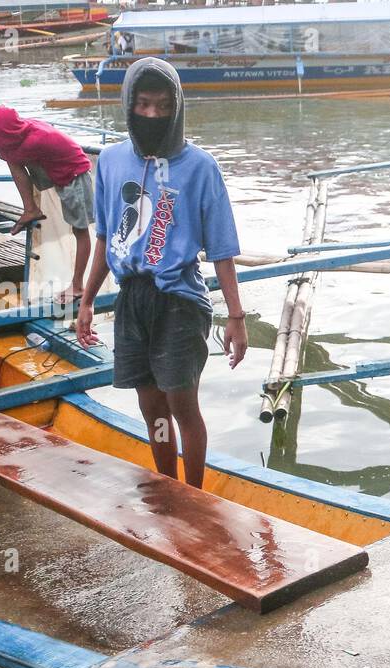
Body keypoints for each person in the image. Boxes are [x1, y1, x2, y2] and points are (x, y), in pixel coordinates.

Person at [74, 58, 248, 490]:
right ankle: (168, 486)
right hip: (131, 297)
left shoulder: (200, 167)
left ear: (177, 108)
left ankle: (195, 494)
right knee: (151, 405)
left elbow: (223, 251)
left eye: (163, 106)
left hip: (180, 301)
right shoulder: (111, 162)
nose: (152, 114)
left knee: (181, 403)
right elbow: (104, 237)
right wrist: (87, 300)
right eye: (143, 104)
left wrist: (236, 318)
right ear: (129, 104)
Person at [0, 105, 95, 307]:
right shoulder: (23, 128)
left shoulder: (33, 142)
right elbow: (1, 112)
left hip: (74, 176)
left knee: (81, 231)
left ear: (7, 134)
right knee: (10, 159)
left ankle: (78, 285)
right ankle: (31, 209)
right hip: (54, 169)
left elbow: (6, 153)